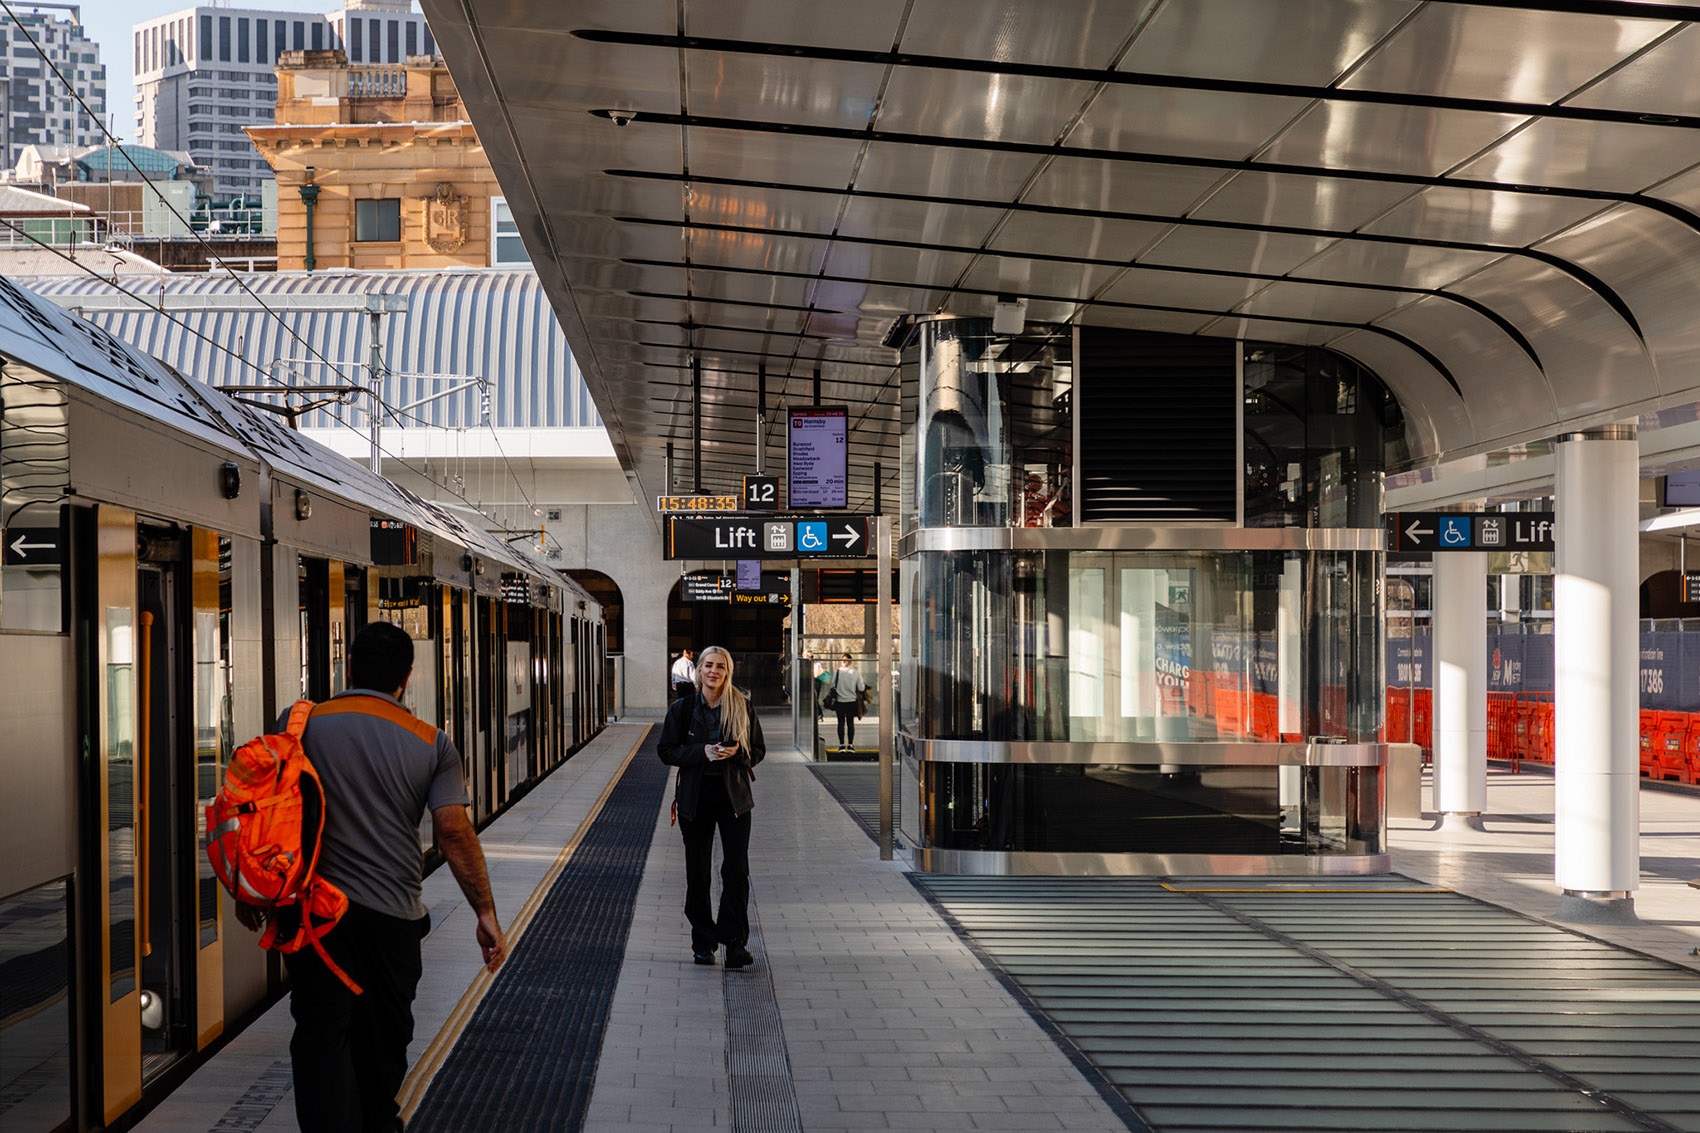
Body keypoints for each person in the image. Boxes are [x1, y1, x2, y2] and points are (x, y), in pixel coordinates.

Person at [239, 621, 506, 1133]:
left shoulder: (299, 723)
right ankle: (376, 1120)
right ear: (406, 677)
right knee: (383, 1037)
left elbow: (262, 812)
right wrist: (485, 913)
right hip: (392, 921)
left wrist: (252, 888)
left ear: (349, 666)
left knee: (320, 1034)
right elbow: (454, 833)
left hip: (314, 918)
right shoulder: (433, 743)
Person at [657, 645, 766, 969]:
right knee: (698, 871)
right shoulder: (683, 708)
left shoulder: (742, 706)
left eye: (719, 666)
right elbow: (666, 751)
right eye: (707, 665)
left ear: (726, 671)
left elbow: (758, 750)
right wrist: (701, 753)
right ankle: (703, 942)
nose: (713, 671)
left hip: (734, 797)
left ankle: (734, 943)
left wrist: (738, 755)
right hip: (696, 795)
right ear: (699, 670)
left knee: (735, 870)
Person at [826, 653, 867, 754]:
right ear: (851, 662)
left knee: (840, 723)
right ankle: (850, 745)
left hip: (840, 702)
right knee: (850, 723)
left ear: (842, 661)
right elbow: (861, 688)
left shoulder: (837, 672)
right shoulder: (855, 672)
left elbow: (833, 684)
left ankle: (841, 746)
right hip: (852, 701)